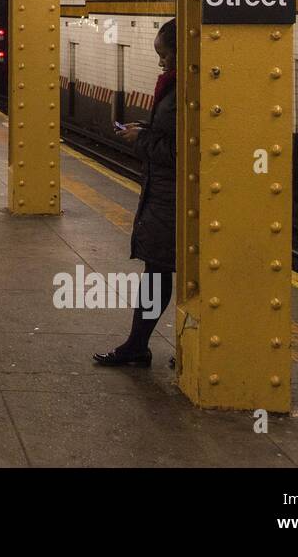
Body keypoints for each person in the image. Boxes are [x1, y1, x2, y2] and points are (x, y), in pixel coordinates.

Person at [94, 18, 177, 368]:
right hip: (165, 194)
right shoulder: (176, 87)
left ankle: (137, 346)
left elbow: (181, 150)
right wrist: (146, 130)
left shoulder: (184, 90)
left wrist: (141, 139)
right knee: (159, 270)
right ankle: (140, 344)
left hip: (172, 198)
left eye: (165, 55)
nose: (161, 63)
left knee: (158, 271)